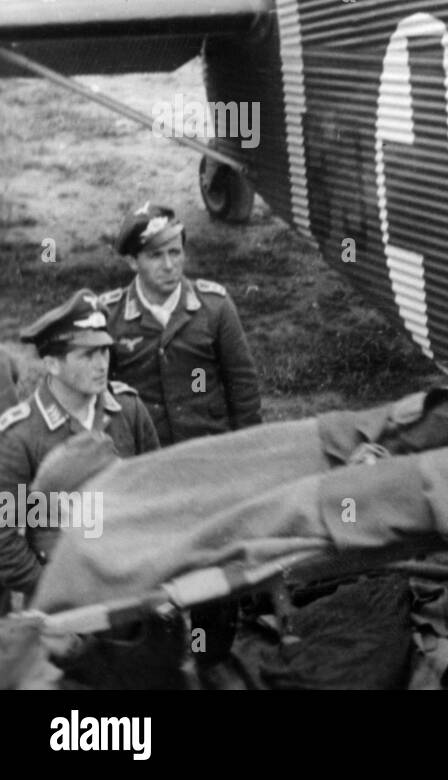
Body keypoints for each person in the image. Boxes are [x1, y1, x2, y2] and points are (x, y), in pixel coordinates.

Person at [0, 290, 158, 611]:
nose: (102, 365)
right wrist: (53, 588)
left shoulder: (129, 410)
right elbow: (4, 539)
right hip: (63, 608)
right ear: (52, 364)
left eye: (104, 351)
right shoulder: (20, 436)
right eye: (87, 355)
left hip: (134, 588)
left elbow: (158, 495)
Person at [99, 202, 262, 446]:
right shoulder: (110, 316)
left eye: (175, 252)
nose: (168, 265)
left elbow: (243, 387)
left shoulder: (215, 307)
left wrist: (249, 450)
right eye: (156, 255)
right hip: (145, 456)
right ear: (133, 262)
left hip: (208, 450)